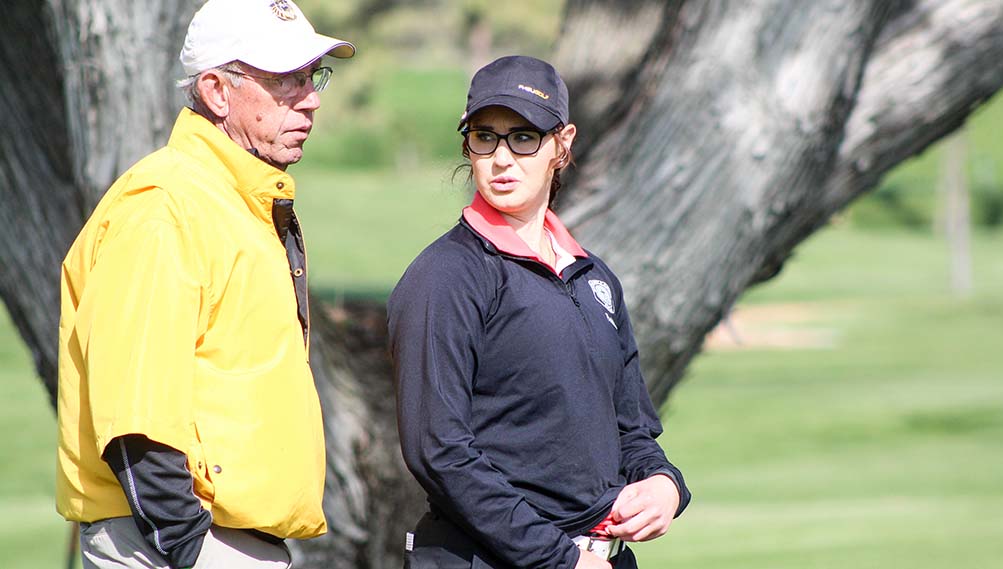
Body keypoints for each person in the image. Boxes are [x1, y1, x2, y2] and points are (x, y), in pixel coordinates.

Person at [55, 1, 354, 568]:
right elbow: (134, 420)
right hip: (173, 542)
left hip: (216, 540)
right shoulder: (165, 208)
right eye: (285, 80)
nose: (310, 98)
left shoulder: (231, 200)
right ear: (217, 91)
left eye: (312, 77)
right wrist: (193, 547)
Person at [387, 55, 691, 569]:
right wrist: (558, 559)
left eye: (524, 136)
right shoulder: (446, 276)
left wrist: (664, 486)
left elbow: (631, 428)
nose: (502, 158)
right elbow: (439, 453)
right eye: (485, 137)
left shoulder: (594, 277)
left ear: (562, 145)